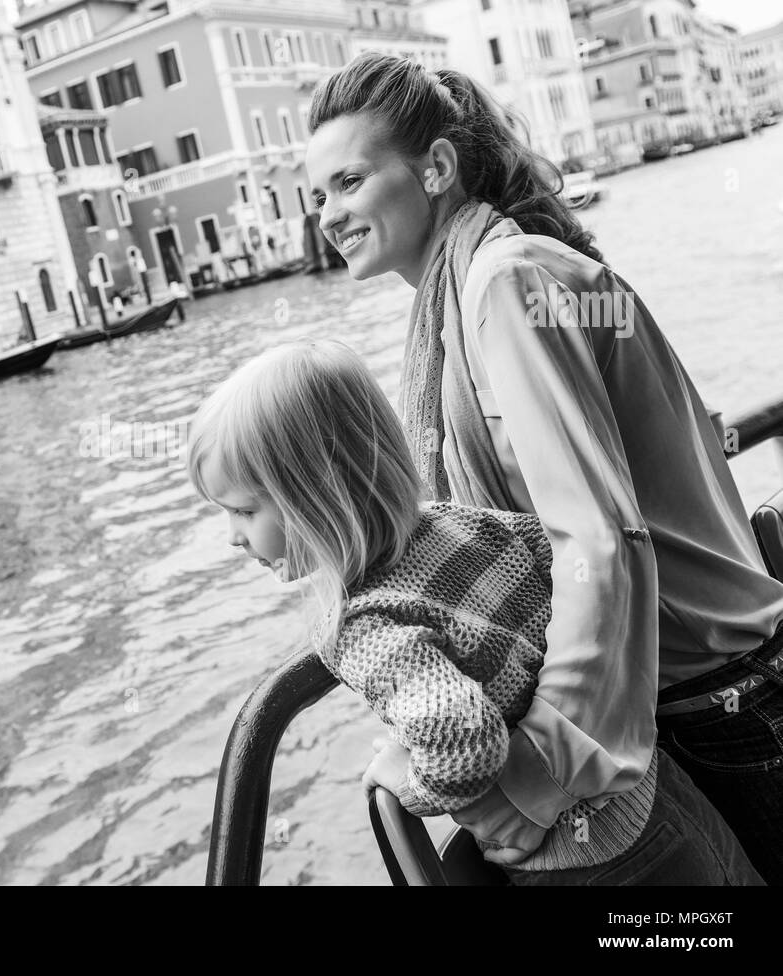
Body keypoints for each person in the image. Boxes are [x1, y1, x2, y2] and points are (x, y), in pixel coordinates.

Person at [304, 51, 783, 881]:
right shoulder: (493, 282)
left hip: (716, 704)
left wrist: (539, 772)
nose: (328, 214)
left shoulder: (504, 286)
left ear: (436, 170)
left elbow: (598, 540)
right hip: (705, 692)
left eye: (349, 181)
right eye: (318, 195)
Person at [186, 338, 761, 884]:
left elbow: (463, 741)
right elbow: (567, 565)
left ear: (316, 495)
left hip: (587, 860)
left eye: (241, 511)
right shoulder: (460, 524)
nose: (233, 537)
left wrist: (405, 784)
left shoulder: (363, 623)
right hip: (648, 782)